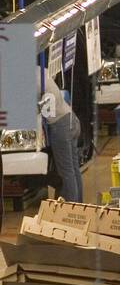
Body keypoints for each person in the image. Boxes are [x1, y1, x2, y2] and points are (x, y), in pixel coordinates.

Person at [39, 64, 83, 203]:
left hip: (60, 125)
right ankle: (80, 206)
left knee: (66, 174)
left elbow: (45, 110)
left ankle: (70, 210)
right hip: (72, 119)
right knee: (74, 170)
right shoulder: (42, 71)